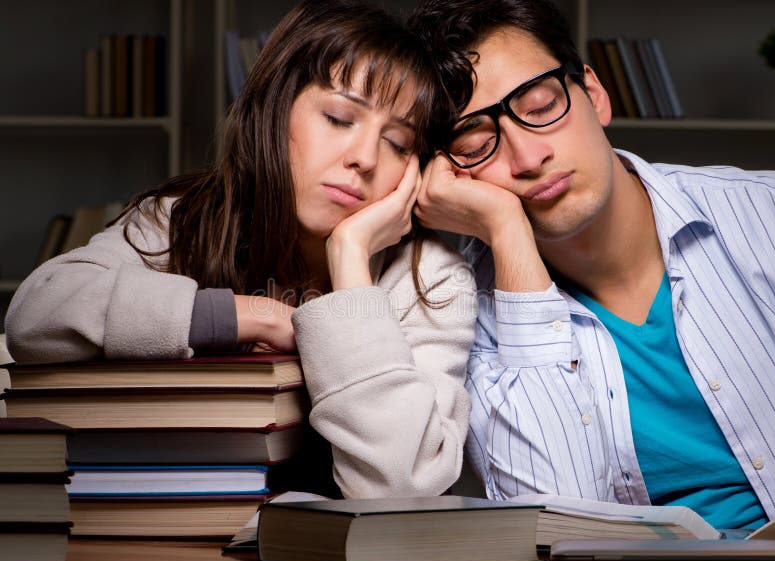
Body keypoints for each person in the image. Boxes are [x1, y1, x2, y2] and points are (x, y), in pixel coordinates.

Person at [5, 0, 477, 500]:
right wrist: (250, 316)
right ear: (277, 108)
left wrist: (351, 256)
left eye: (398, 143)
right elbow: (36, 314)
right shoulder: (184, 219)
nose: (363, 158)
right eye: (339, 118)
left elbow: (400, 484)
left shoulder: (430, 278)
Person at [408, 0, 775, 530]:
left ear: (594, 94)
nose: (526, 158)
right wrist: (507, 231)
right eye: (476, 142)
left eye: (541, 105)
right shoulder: (458, 313)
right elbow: (557, 530)